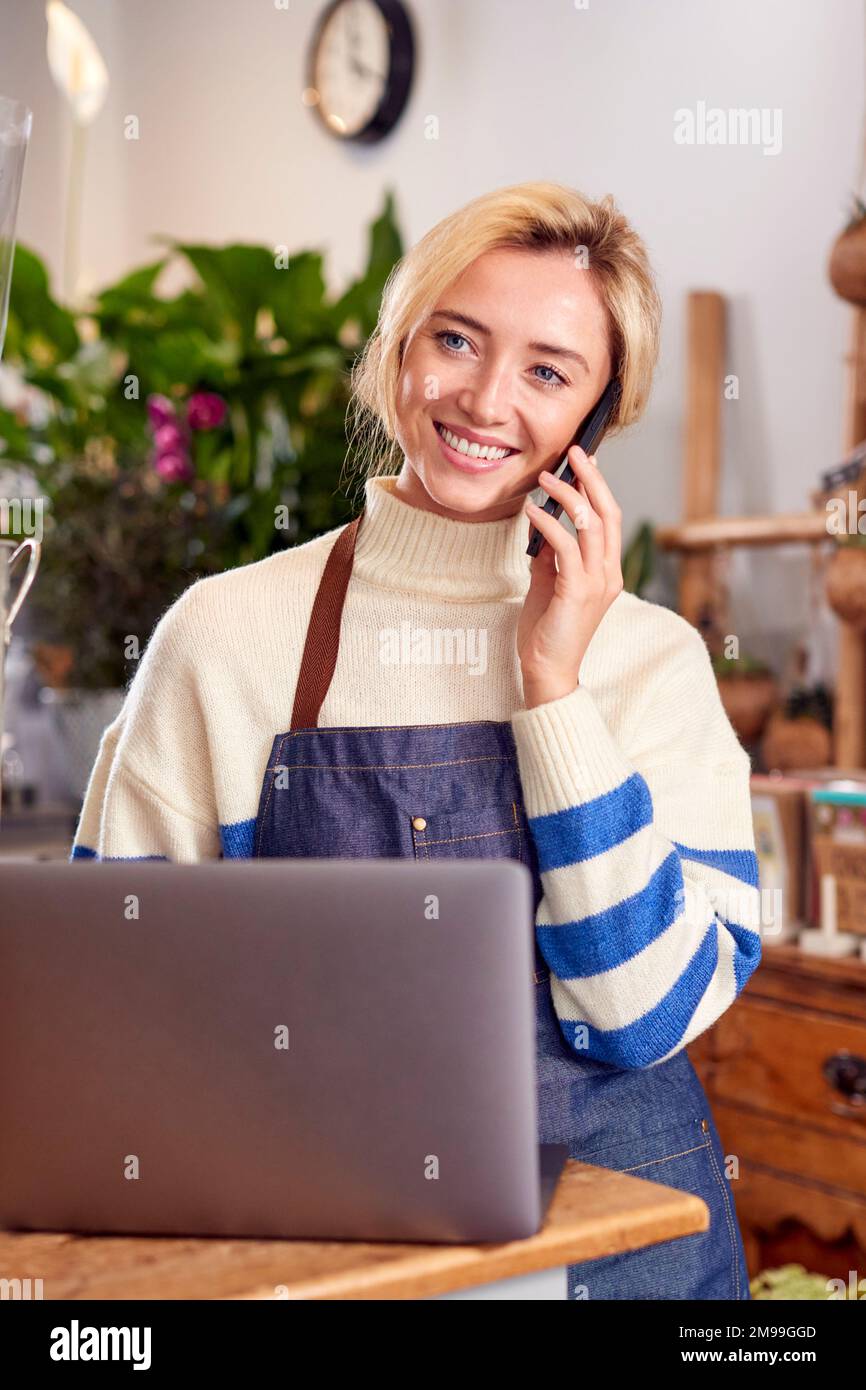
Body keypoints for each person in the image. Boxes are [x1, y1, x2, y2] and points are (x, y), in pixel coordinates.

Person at [72, 181, 761, 1300]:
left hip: (631, 1263)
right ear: (399, 355)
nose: (486, 399)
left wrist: (551, 689)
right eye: (456, 339)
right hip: (334, 1258)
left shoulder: (653, 662)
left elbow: (640, 1015)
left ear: (595, 419)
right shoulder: (226, 634)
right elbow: (116, 1002)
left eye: (547, 370)